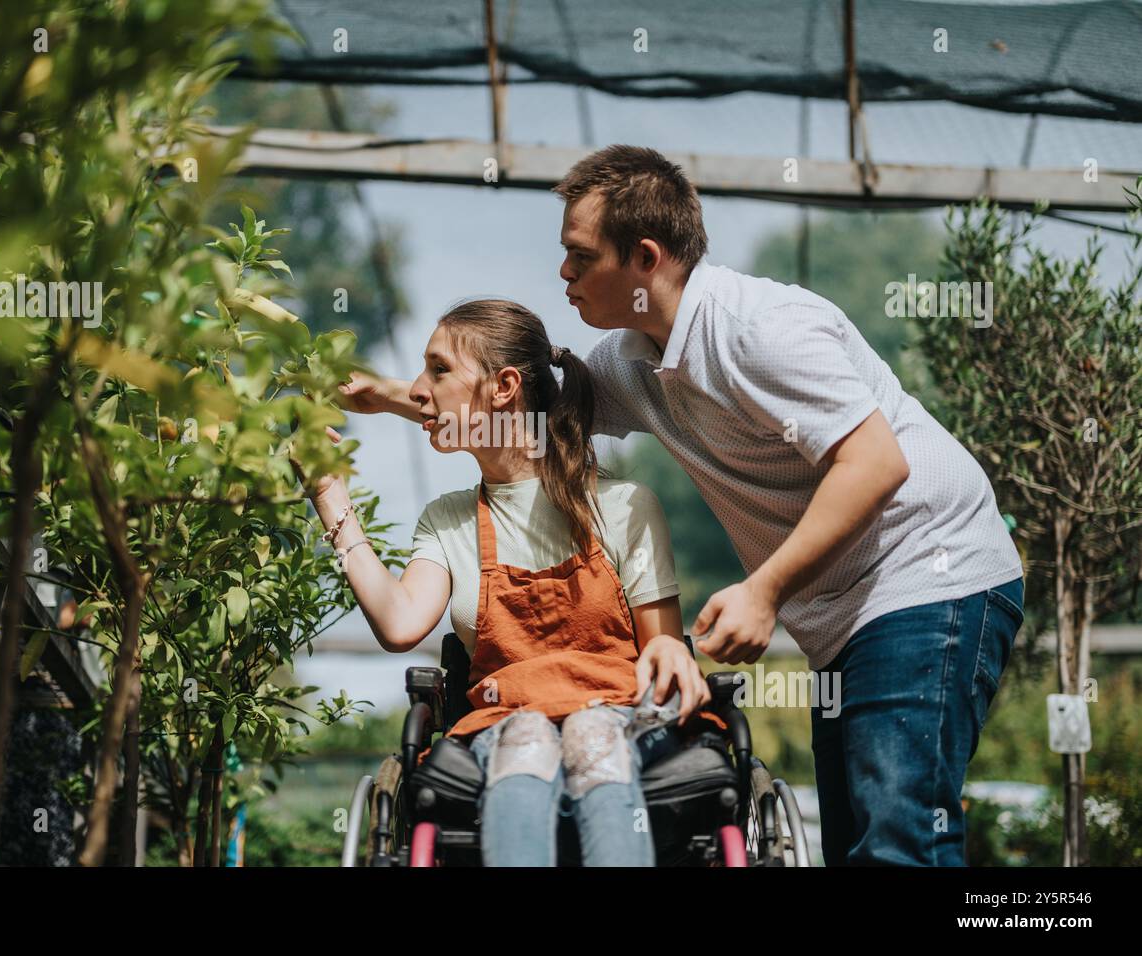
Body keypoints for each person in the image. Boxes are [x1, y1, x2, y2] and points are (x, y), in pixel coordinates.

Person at [339, 145, 1026, 866]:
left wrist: (762, 591)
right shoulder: (631, 360)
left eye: (578, 256)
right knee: (861, 842)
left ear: (643, 257)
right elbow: (515, 412)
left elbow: (877, 461)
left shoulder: (761, 330)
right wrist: (385, 395)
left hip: (928, 577)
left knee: (898, 838)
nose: (562, 274)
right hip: (843, 616)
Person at [302, 298, 711, 867]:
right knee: (527, 737)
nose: (420, 388)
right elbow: (398, 623)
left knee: (591, 731)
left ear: (504, 387)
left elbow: (662, 647)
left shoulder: (623, 508)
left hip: (619, 717)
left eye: (438, 369)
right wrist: (330, 496)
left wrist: (673, 652)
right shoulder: (448, 521)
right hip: (504, 719)